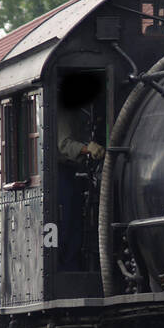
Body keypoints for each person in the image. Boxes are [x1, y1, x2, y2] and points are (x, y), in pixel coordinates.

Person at [57, 73, 104, 269]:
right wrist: (88, 148)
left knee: (76, 221)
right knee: (68, 222)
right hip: (60, 174)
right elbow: (63, 144)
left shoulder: (83, 113)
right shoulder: (63, 111)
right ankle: (68, 266)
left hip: (75, 173)